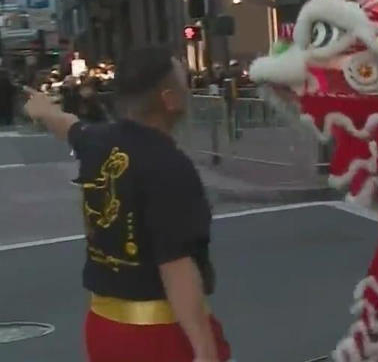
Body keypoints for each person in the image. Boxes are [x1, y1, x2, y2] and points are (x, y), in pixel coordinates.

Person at [23, 47, 231, 362]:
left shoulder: (98, 140)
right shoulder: (169, 165)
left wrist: (43, 110)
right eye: (183, 82)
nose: (189, 90)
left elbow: (68, 126)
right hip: (159, 335)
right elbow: (176, 265)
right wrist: (203, 349)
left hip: (103, 327)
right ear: (169, 99)